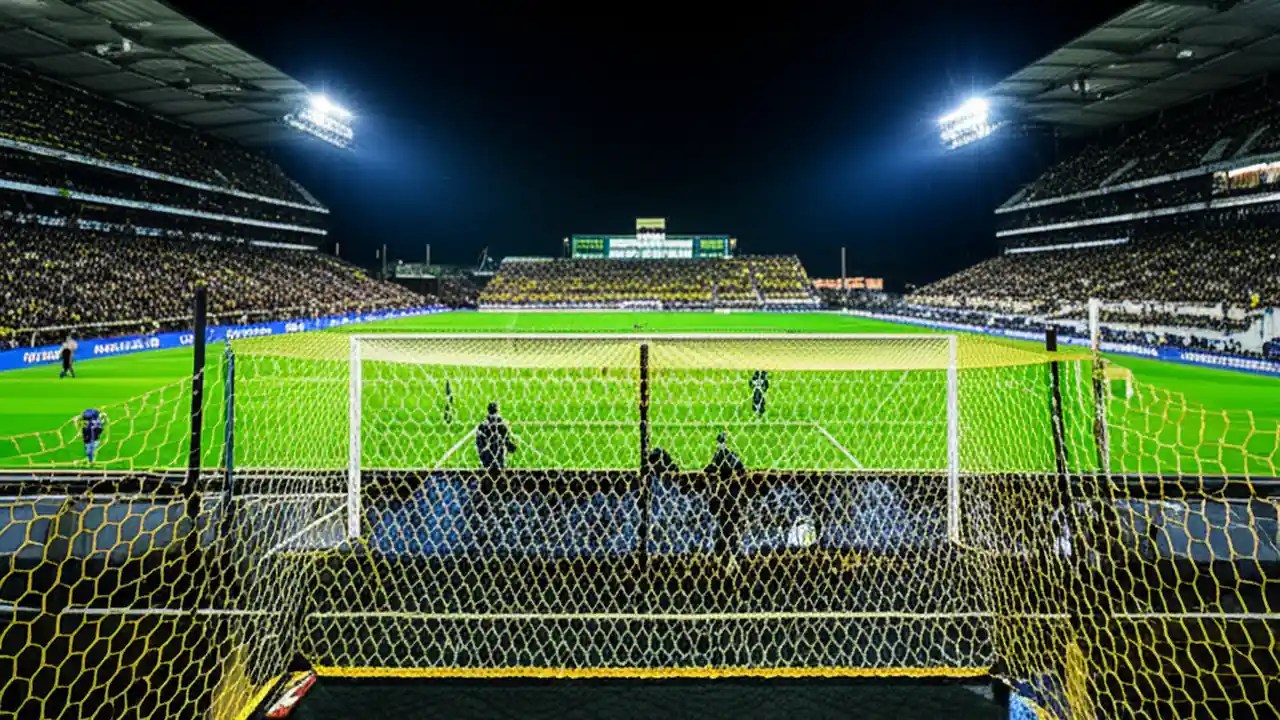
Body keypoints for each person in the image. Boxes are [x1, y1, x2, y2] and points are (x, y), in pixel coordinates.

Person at [704, 432, 746, 561]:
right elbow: (740, 469)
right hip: (730, 495)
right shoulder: (726, 455)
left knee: (726, 524)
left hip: (726, 496)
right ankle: (730, 550)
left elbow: (709, 470)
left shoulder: (722, 455)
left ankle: (725, 550)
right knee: (728, 525)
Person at [475, 401, 516, 472]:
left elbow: (479, 445)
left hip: (486, 462)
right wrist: (514, 445)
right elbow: (509, 446)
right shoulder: (502, 424)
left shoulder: (482, 426)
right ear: (498, 410)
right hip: (499, 462)